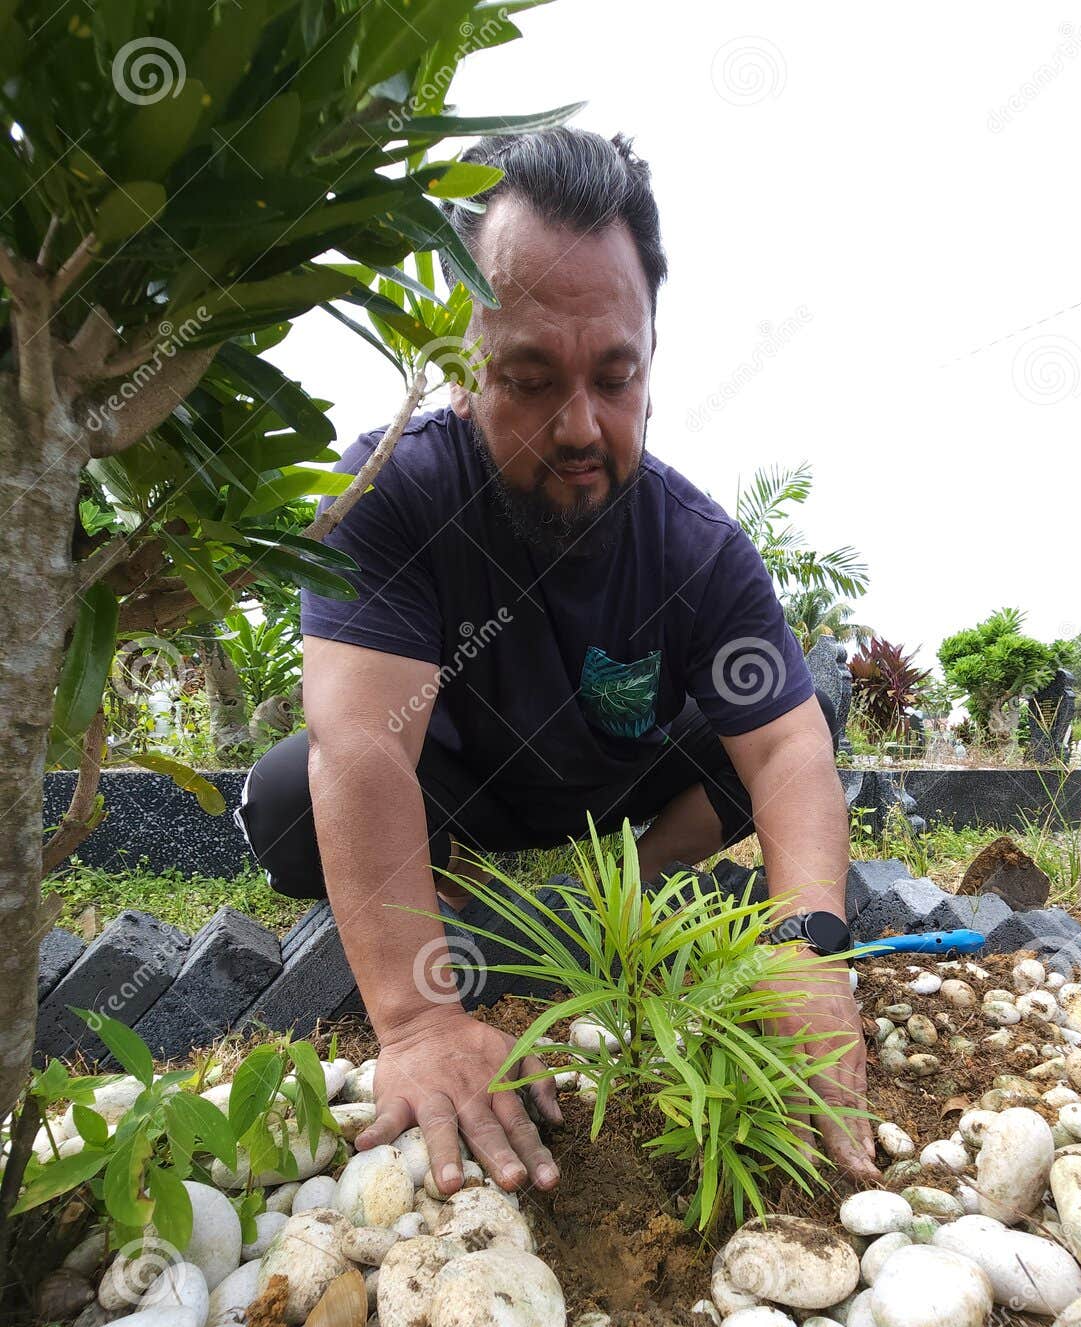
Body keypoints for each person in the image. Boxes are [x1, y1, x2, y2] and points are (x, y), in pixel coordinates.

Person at [237, 127, 875, 1198]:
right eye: (530, 379)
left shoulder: (695, 545)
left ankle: (615, 901)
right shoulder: (392, 493)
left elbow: (785, 748)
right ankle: (453, 893)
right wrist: (419, 1015)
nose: (581, 426)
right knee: (294, 792)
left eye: (614, 377)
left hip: (608, 798)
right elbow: (359, 742)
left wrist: (807, 950)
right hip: (452, 788)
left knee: (811, 708)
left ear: (651, 364)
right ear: (460, 368)